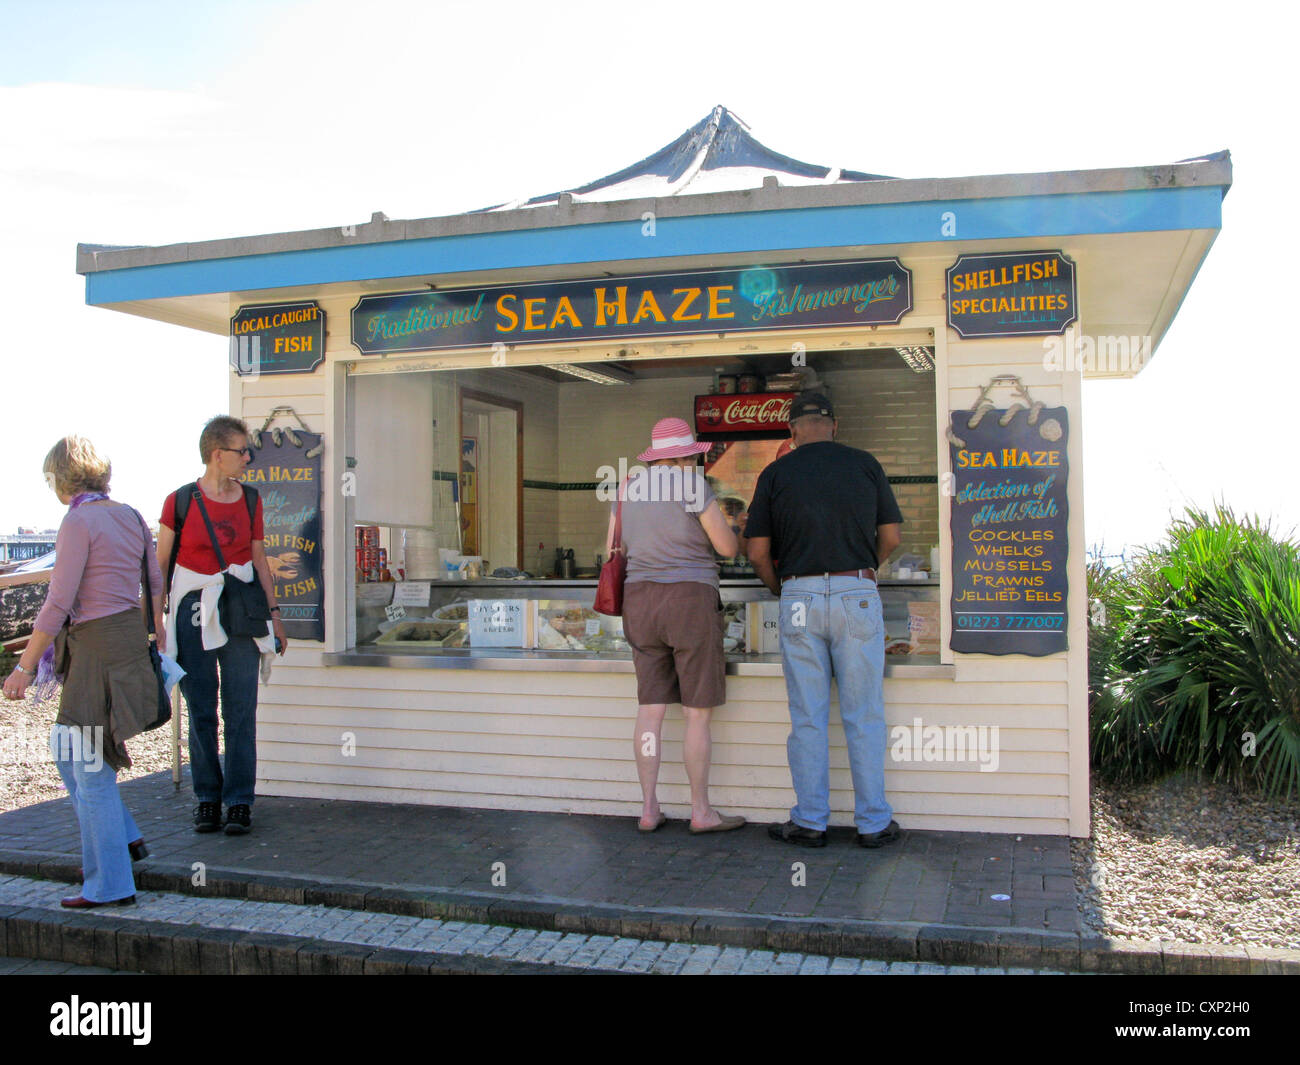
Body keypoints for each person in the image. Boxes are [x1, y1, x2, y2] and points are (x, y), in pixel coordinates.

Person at [2, 436, 159, 907]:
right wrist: (159, 645)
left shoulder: (78, 520)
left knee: (89, 768)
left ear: (60, 477)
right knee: (73, 754)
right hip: (128, 641)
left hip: (93, 649)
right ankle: (124, 839)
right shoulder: (130, 515)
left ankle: (110, 884)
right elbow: (154, 586)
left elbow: (57, 603)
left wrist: (24, 667)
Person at [744, 394, 904, 848]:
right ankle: (873, 824)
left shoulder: (775, 473)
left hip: (798, 593)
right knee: (864, 715)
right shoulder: (865, 464)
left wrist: (783, 586)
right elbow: (891, 536)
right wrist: (859, 571)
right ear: (834, 424)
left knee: (808, 717)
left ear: (792, 432)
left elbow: (756, 551)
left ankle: (810, 822)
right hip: (857, 593)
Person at [607, 417, 745, 835]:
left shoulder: (627, 489)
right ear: (687, 455)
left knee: (650, 711)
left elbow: (618, 548)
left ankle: (649, 809)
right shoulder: (691, 486)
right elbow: (725, 548)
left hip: (640, 601)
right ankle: (701, 811)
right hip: (689, 600)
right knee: (696, 716)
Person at [155, 416, 287, 835]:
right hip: (192, 610)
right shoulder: (179, 502)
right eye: (242, 451)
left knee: (241, 708)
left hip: (239, 611)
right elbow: (160, 569)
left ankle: (240, 800)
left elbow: (259, 560)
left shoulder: (250, 499)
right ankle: (208, 797)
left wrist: (275, 617)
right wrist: (156, 626)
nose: (248, 458)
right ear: (218, 455)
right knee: (200, 708)